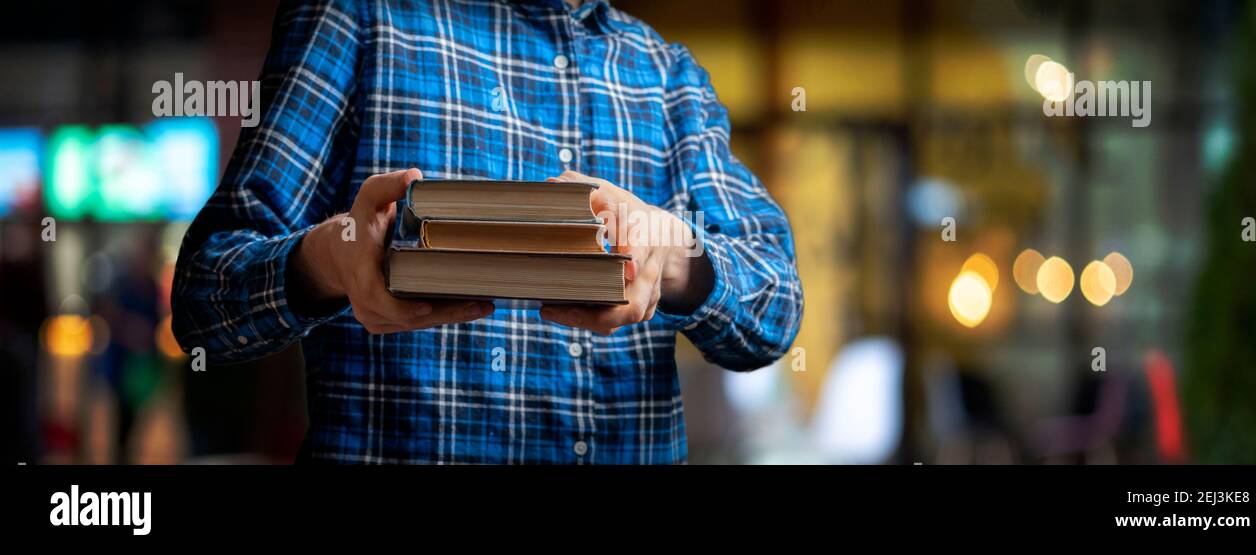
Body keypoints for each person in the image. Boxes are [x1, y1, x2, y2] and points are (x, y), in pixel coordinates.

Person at [172, 0, 803, 464]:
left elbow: (777, 310)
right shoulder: (359, 17)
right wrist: (331, 260)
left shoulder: (668, 74)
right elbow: (203, 300)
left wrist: (674, 257)